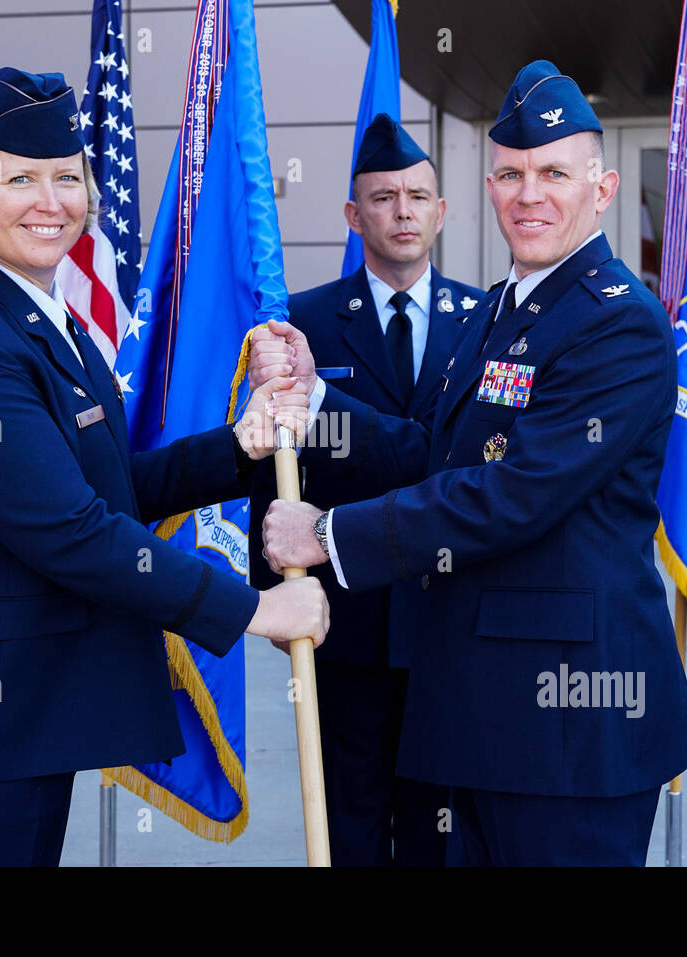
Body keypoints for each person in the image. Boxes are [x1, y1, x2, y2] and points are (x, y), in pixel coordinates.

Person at [0, 67, 328, 866]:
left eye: (68, 177)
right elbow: (74, 531)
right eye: (20, 178)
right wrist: (257, 611)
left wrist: (244, 447)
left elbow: (109, 490)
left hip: (16, 720)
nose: (51, 202)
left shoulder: (40, 316)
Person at [255, 60, 687, 866]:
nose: (530, 194)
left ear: (599, 192)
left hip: (571, 730)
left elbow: (513, 493)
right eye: (511, 174)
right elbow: (434, 451)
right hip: (480, 713)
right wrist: (320, 398)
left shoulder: (617, 325)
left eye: (554, 173)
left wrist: (329, 532)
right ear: (489, 187)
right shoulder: (499, 308)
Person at [249, 113, 482, 867]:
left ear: (441, 212)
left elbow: (469, 467)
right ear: (354, 215)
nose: (403, 211)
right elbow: (274, 475)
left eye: (418, 196)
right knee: (345, 823)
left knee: (436, 826)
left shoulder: (483, 325)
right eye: (383, 198)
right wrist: (277, 595)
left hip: (449, 618)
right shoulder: (306, 322)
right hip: (345, 626)